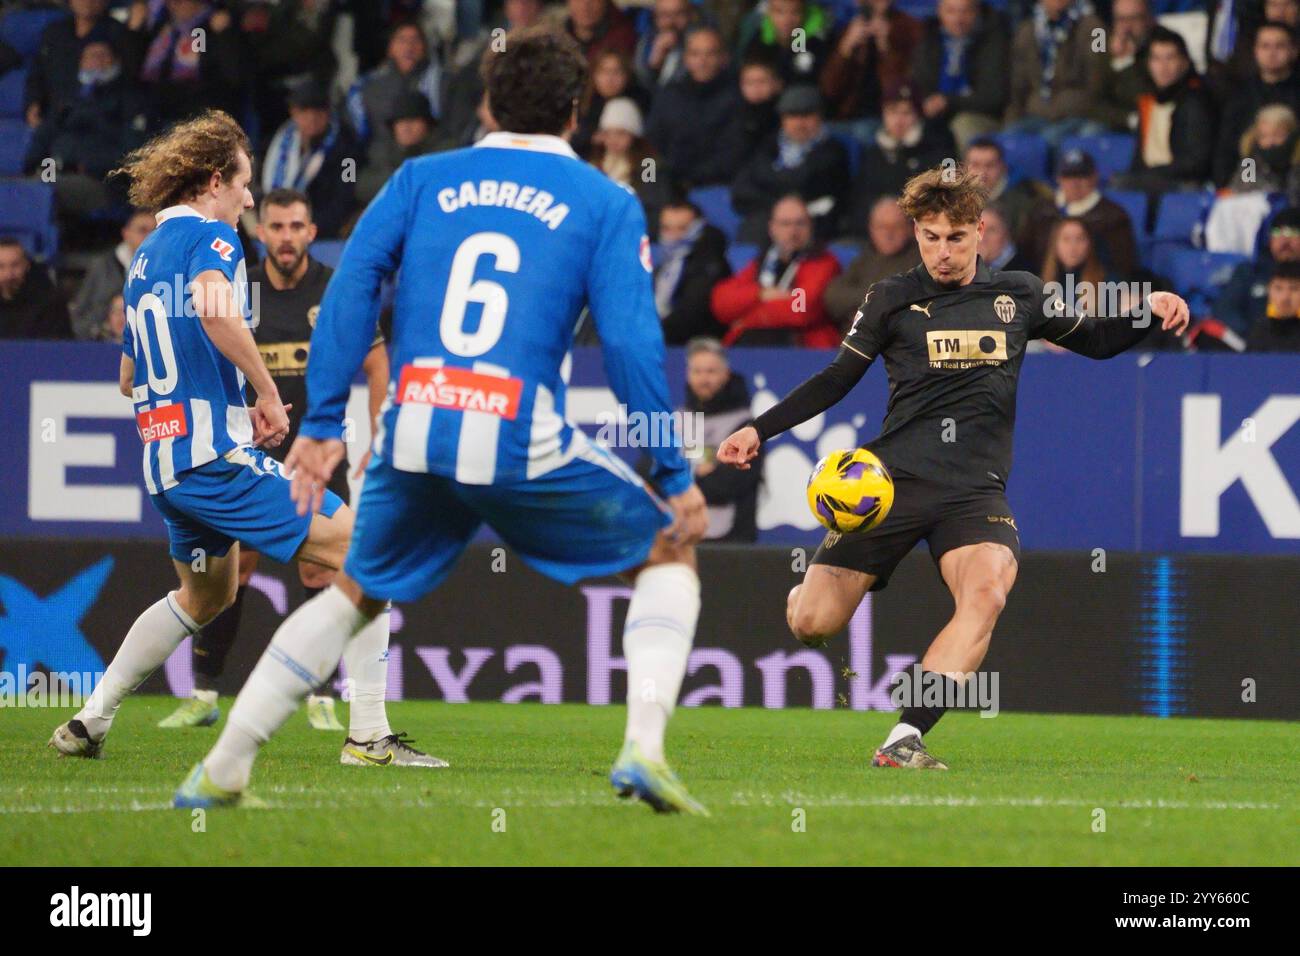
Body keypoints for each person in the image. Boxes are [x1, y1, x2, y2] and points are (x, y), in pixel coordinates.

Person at [178, 28, 710, 814]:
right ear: (577, 110)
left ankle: (220, 770)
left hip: (414, 427)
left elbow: (352, 286)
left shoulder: (422, 178)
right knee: (668, 551)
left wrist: (323, 422)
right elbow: (633, 349)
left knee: (354, 590)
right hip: (514, 429)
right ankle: (643, 749)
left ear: (489, 103)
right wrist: (672, 471)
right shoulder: (606, 201)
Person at [716, 165, 1189, 769]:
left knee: (987, 595)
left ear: (981, 233)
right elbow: (837, 378)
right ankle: (804, 595)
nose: (943, 252)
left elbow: (1095, 340)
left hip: (973, 492)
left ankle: (904, 735)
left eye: (956, 238)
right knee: (814, 624)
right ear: (915, 234)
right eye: (931, 237)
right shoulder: (890, 297)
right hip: (889, 486)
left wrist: (1149, 307)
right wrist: (759, 428)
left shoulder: (1019, 293)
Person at [48, 110, 440, 774]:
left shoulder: (145, 256)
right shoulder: (214, 238)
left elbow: (126, 375)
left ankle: (91, 719)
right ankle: (369, 736)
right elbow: (213, 307)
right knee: (371, 550)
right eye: (245, 185)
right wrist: (261, 390)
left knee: (206, 597)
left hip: (167, 462)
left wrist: (215, 387)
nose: (251, 200)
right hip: (213, 460)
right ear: (211, 181)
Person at [156, 187, 392, 738]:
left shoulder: (334, 288)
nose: (286, 237)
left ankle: (320, 697)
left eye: (297, 227)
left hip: (316, 446)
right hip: (252, 446)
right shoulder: (238, 283)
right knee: (237, 569)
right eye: (277, 227)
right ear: (262, 233)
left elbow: (378, 364)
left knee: (325, 566)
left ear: (312, 232)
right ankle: (204, 692)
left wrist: (379, 437)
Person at [711, 193, 842, 346]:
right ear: (772, 228)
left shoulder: (822, 261)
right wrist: (761, 293)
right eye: (785, 224)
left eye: (800, 223)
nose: (793, 232)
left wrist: (748, 319)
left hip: (802, 347)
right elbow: (721, 302)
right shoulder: (763, 261)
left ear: (811, 227)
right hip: (752, 342)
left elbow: (801, 308)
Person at [731, 84, 850, 242]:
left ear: (819, 116)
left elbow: (801, 183)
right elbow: (741, 192)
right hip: (763, 225)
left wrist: (768, 180)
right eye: (793, 116)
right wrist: (781, 201)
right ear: (782, 119)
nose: (800, 123)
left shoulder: (833, 150)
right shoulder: (767, 146)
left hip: (814, 230)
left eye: (807, 115)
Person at [1111, 27, 1216, 193]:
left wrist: (1149, 175)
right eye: (1156, 59)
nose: (1163, 67)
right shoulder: (1146, 102)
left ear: (1184, 62)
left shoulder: (1196, 103)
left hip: (1182, 185)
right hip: (1151, 180)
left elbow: (1196, 163)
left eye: (1170, 58)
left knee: (1122, 184)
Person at [682, 338, 761, 542]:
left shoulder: (746, 426)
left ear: (725, 374)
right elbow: (648, 472)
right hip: (681, 536)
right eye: (697, 371)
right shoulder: (675, 421)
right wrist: (698, 471)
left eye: (710, 371)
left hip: (731, 543)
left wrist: (679, 475)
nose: (703, 379)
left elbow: (728, 484)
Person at [645, 25, 743, 189]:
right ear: (686, 58)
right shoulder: (669, 94)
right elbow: (650, 147)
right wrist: (650, 183)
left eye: (710, 54)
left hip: (717, 187)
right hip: (667, 185)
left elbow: (731, 156)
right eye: (695, 54)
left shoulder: (737, 98)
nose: (702, 61)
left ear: (723, 58)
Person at [261, 81, 361, 239]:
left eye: (318, 112)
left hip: (324, 232)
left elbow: (346, 195)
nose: (312, 118)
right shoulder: (282, 140)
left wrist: (308, 227)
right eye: (304, 111)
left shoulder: (347, 146)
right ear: (293, 112)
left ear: (328, 113)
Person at [1020, 149, 1140, 280]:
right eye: (1069, 177)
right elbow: (1025, 254)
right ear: (1058, 179)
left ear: (1095, 177)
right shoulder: (1042, 210)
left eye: (1082, 176)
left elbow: (1123, 266)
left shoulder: (1113, 216)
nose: (1074, 183)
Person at [1004, 0, 1108, 147]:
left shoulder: (1097, 30)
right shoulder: (1026, 30)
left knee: (1051, 138)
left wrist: (1072, 105)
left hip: (1079, 114)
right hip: (1036, 114)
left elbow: (1099, 81)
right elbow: (1018, 85)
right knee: (1008, 137)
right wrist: (1012, 118)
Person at [909, 0, 1008, 150]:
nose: (958, 19)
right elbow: (918, 83)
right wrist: (928, 102)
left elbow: (993, 98)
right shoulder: (930, 39)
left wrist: (948, 102)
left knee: (963, 125)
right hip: (936, 115)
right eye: (951, 11)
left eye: (965, 12)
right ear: (940, 12)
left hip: (981, 115)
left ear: (976, 12)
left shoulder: (993, 40)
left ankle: (968, 173)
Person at [820, 0, 922, 143]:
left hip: (884, 116)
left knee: (864, 131)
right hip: (844, 115)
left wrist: (885, 47)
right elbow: (829, 89)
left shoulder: (908, 28)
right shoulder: (847, 28)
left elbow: (900, 88)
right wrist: (845, 49)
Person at [825, 197, 920, 328]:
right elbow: (833, 295)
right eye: (881, 227)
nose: (888, 234)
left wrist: (863, 309)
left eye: (896, 227)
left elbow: (899, 299)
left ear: (910, 229)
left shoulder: (920, 260)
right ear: (871, 229)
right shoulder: (865, 257)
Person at [589, 97, 673, 236]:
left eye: (621, 133)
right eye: (608, 133)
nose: (613, 139)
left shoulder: (648, 164)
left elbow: (651, 201)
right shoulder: (595, 162)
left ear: (634, 134)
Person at [1213, 206, 1300, 336]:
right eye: (1277, 232)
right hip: (1255, 347)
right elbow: (1225, 310)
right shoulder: (1249, 272)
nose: (1284, 240)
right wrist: (1257, 336)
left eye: (1293, 232)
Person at [71, 209, 155, 340]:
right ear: (126, 234)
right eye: (143, 230)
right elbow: (80, 315)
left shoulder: (172, 269)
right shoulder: (102, 267)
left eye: (155, 231)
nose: (150, 236)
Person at [656, 199, 731, 344]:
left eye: (682, 228)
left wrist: (649, 334)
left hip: (694, 345)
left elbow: (691, 313)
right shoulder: (663, 266)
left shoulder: (709, 264)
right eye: (667, 228)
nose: (674, 236)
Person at [962, 137, 1050, 239]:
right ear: (964, 168)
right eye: (975, 165)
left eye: (990, 165)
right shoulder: (955, 200)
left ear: (1003, 166)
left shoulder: (1025, 201)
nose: (982, 173)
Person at [0, 238, 71, 340]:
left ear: (26, 265)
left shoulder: (50, 303)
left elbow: (60, 349)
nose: (8, 274)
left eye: (15, 265)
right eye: (1, 267)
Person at [634, 0, 698, 89]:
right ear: (655, 18)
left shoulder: (698, 41)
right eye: (664, 15)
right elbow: (640, 81)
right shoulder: (647, 39)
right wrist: (653, 65)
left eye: (678, 14)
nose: (671, 21)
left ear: (690, 15)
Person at [1246, 259, 1300, 349]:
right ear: (1269, 291)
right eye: (1278, 288)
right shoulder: (1258, 334)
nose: (1285, 297)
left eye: (1294, 289)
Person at [978, 204, 1033, 272]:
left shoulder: (1020, 270)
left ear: (1006, 233)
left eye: (991, 230)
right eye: (979, 229)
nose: (982, 237)